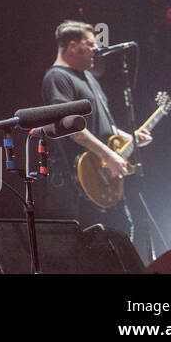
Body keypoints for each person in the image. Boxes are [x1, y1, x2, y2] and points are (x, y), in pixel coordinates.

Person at [40, 20, 151, 238]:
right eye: (90, 44)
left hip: (105, 179)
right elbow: (71, 127)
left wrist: (130, 137)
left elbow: (104, 126)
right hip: (82, 180)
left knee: (122, 233)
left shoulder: (89, 78)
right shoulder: (57, 77)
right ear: (72, 46)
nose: (96, 50)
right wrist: (108, 155)